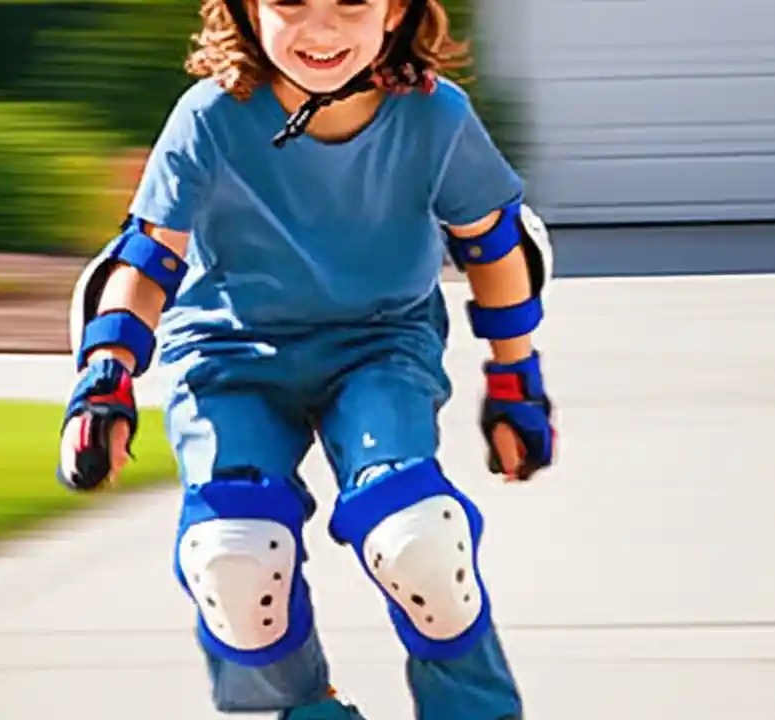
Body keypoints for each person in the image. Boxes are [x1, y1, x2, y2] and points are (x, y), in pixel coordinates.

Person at [55, 1, 557, 718]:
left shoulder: (434, 117)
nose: (321, 29)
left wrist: (517, 382)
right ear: (245, 11)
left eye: (351, 2)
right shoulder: (211, 117)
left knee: (419, 542)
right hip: (229, 350)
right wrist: (106, 380)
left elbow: (496, 244)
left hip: (380, 342)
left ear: (396, 12)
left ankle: (473, 709)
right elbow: (146, 255)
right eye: (290, 2)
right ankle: (305, 708)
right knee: (234, 557)